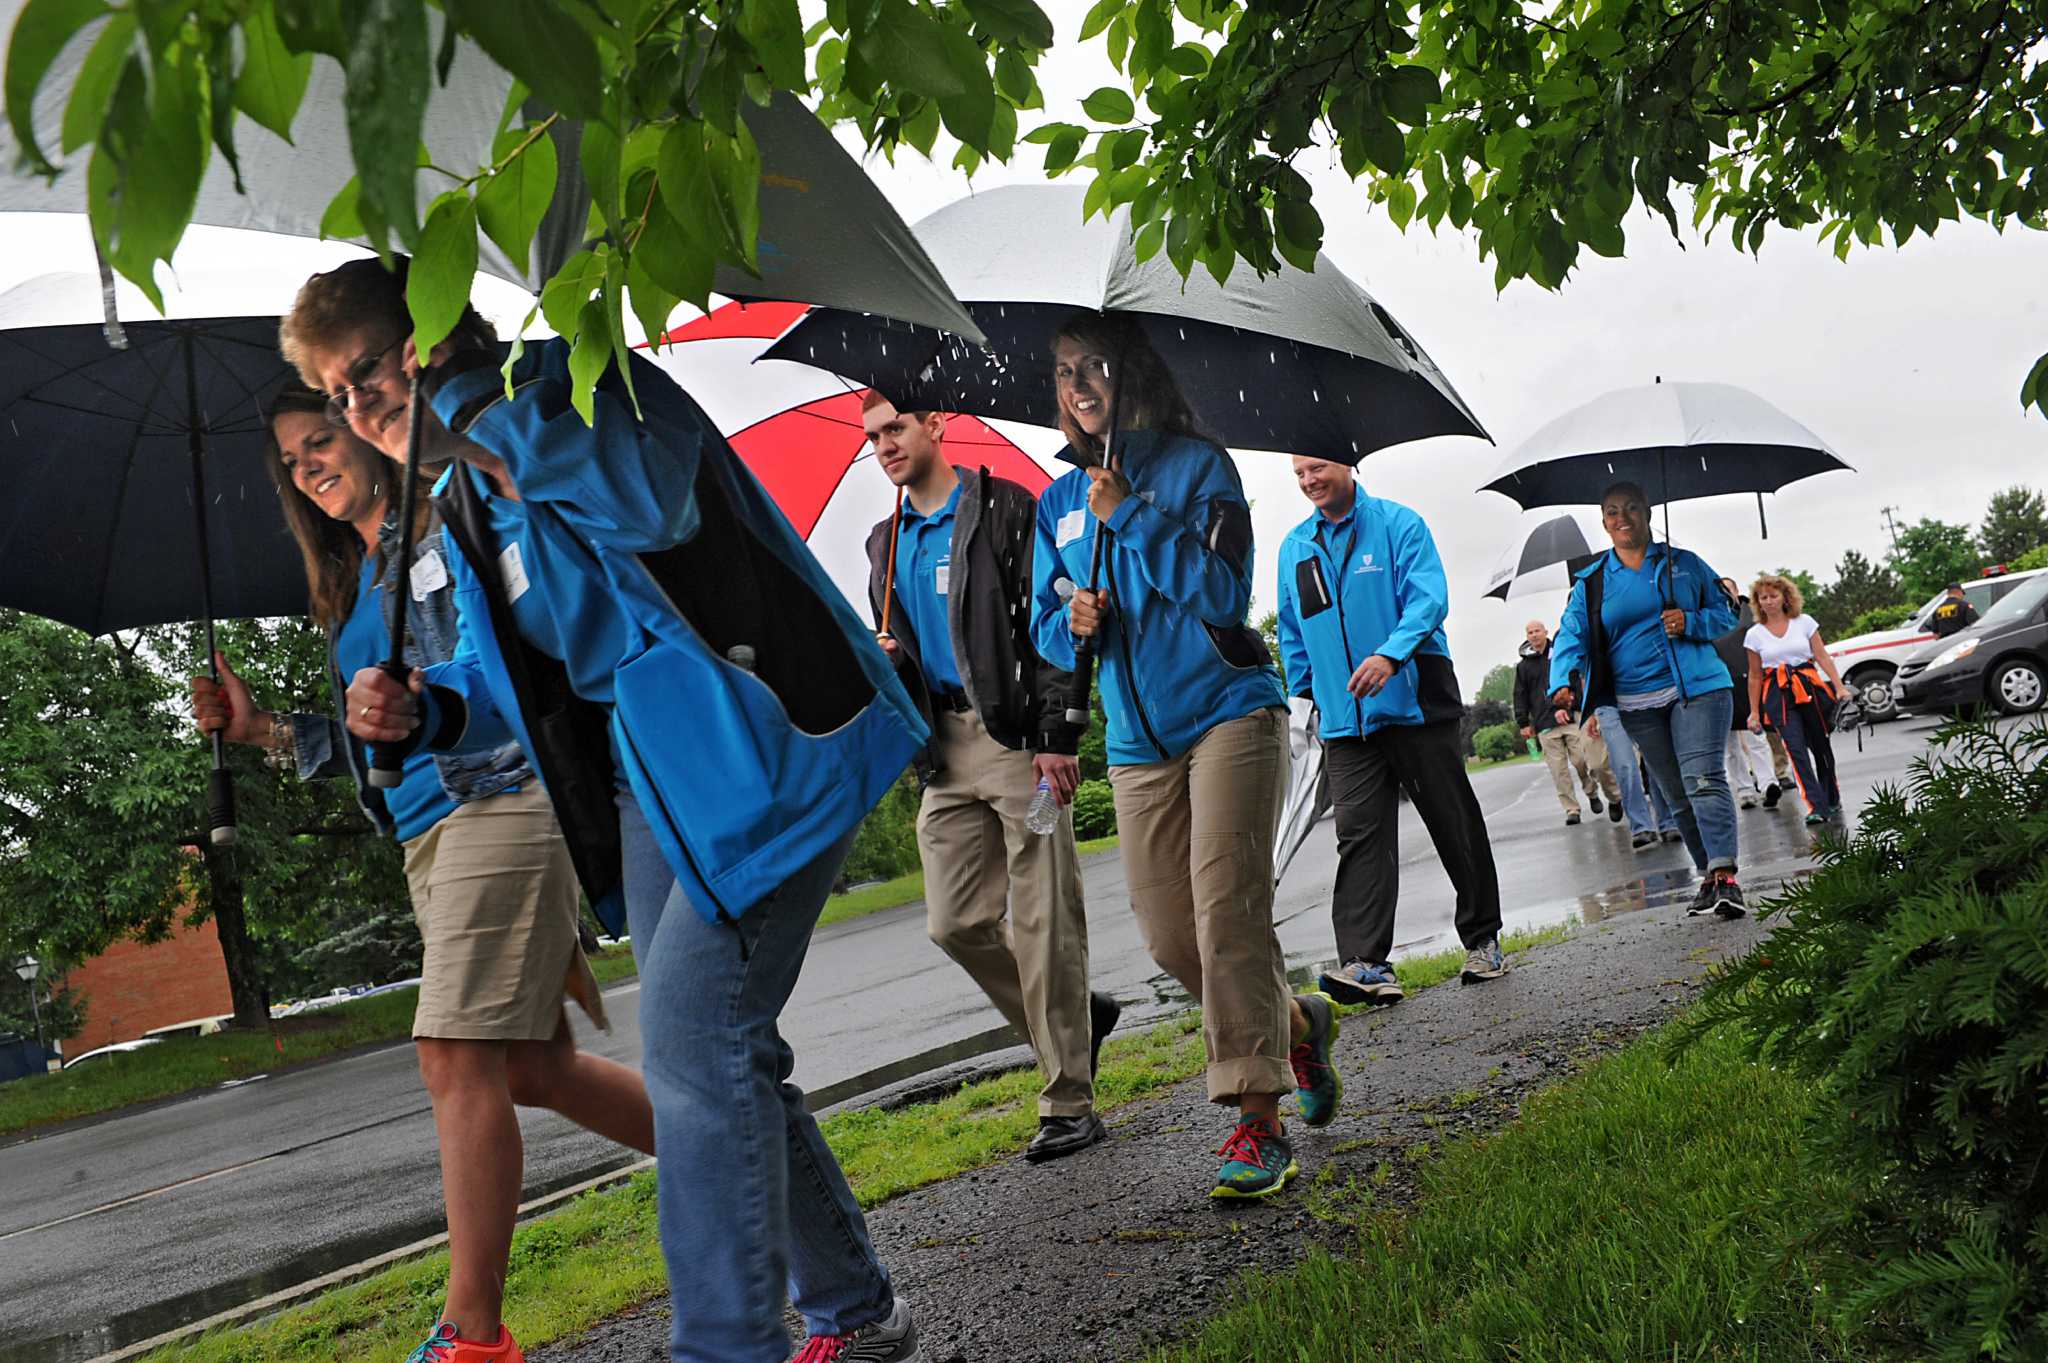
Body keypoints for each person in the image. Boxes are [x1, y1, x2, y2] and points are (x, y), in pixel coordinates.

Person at [303, 258, 927, 1363]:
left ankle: (727, 1347)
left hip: (766, 743)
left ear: (432, 341)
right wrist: (430, 712)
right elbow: (526, 678)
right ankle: (857, 1312)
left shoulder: (578, 384)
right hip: (649, 785)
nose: (354, 411)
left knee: (693, 1045)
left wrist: (476, 402)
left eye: (363, 374)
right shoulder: (461, 498)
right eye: (332, 393)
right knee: (725, 1050)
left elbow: (651, 504)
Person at [190, 385, 653, 1363]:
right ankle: (739, 1157)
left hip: (500, 800)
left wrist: (426, 705)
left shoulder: (436, 535)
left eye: (322, 438)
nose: (311, 464)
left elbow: (485, 685)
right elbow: (376, 742)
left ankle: (472, 1336)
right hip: (427, 837)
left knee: (450, 1054)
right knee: (531, 1066)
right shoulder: (356, 583)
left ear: (366, 430)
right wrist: (259, 729)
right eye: (293, 459)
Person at [1031, 312, 1339, 1202]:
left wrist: (1127, 512)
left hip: (1227, 712)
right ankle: (1295, 1024)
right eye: (1063, 373)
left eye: (1095, 366)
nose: (1080, 385)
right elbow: (1050, 623)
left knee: (1226, 915)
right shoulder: (1055, 504)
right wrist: (1070, 622)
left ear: (1134, 375)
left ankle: (1257, 1117)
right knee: (1173, 939)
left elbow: (1221, 592)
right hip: (1135, 741)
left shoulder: (1199, 468)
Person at [861, 392, 1120, 1165]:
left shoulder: (1008, 510)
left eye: (896, 428)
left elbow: (1052, 622)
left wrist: (1055, 731)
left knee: (1045, 919)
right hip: (943, 754)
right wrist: (889, 659)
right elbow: (906, 646)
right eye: (872, 437)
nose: (885, 446)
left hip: (1017, 746)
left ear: (935, 425)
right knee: (955, 920)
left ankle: (1068, 1098)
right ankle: (1079, 1017)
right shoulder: (883, 542)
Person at [1276, 456, 1508, 1009]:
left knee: (1451, 822)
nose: (1310, 481)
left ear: (1347, 465)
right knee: (1359, 836)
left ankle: (1483, 940)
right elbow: (1293, 631)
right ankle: (1366, 962)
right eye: (1300, 473)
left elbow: (1429, 600)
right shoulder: (1295, 548)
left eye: (1318, 468)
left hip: (1415, 702)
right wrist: (1304, 700)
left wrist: (1389, 654)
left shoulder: (1398, 524)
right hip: (1344, 720)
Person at [1548, 482, 1745, 919]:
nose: (1623, 518)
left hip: (1698, 688)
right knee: (1675, 795)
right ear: (1604, 523)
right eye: (1613, 512)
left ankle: (1726, 874)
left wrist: (1691, 620)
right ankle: (1707, 877)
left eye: (1632, 508)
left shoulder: (1684, 564)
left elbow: (1729, 611)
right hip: (1636, 702)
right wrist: (1560, 679)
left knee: (1703, 779)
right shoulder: (1593, 582)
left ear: (1649, 513)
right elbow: (1571, 635)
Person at [1745, 573, 1849, 826]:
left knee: (1821, 748)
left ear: (1785, 597)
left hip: (1809, 688)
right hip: (1777, 695)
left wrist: (1839, 687)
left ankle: (1831, 797)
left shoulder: (1804, 623)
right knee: (1795, 749)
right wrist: (1754, 713)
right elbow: (1755, 676)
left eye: (1773, 595)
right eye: (1763, 597)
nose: (1768, 601)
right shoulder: (1755, 634)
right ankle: (1815, 805)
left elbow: (1823, 657)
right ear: (1758, 603)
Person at [1513, 619, 1620, 826]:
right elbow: (1520, 694)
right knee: (1558, 770)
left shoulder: (1560, 655)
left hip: (1571, 717)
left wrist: (1575, 706)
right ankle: (1571, 809)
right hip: (1544, 723)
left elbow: (1574, 681)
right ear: (1527, 637)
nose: (1534, 635)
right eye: (1530, 632)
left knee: (1581, 761)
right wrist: (1523, 722)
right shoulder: (1523, 667)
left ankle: (1591, 792)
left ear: (1545, 632)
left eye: (1537, 631)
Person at [1714, 578, 1795, 810]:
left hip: (1749, 682)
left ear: (1736, 591)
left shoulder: (1750, 615)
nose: (1723, 594)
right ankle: (1744, 789)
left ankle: (1769, 782)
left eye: (1727, 589)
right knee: (1730, 745)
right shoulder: (1709, 618)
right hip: (1721, 684)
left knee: (1756, 736)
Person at [1589, 702, 1679, 851]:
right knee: (1624, 765)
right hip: (1609, 705)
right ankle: (1641, 826)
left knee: (1655, 760)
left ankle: (1668, 822)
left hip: (1644, 696)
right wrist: (1591, 713)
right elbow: (1587, 679)